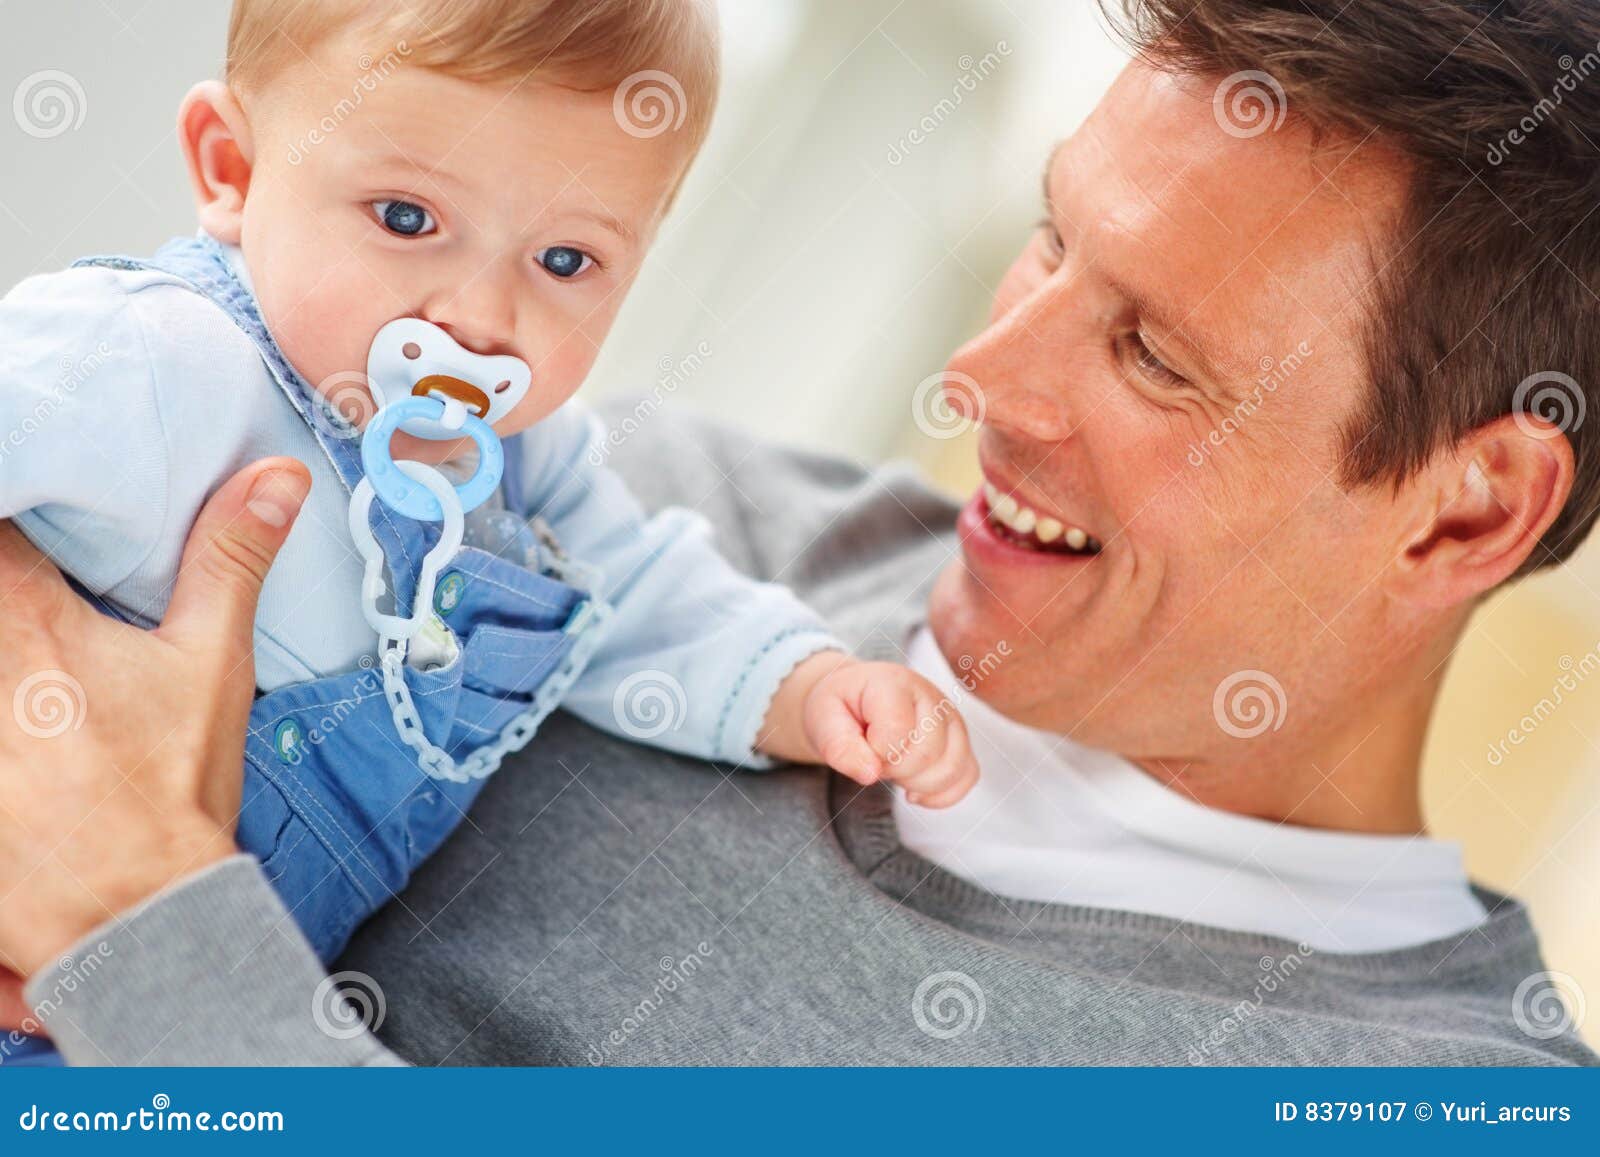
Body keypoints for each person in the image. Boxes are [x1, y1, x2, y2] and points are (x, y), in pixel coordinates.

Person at [3, 0, 1598, 1065]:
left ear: (1469, 506)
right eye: (1050, 242)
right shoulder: (665, 501)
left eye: (1152, 354)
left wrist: (149, 936)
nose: (977, 378)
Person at [0, 0, 977, 1051]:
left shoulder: (520, 461)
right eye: (405, 218)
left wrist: (809, 686)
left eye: (564, 262)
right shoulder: (152, 357)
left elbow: (637, 589)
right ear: (230, 168)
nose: (478, 316)